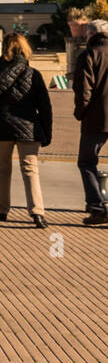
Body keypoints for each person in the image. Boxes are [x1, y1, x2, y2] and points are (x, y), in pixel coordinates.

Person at [0, 32, 52, 228]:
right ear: (25, 49)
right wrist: (46, 133)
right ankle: (37, 213)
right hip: (29, 128)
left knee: (2, 169)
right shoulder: (34, 74)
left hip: (1, 126)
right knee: (31, 170)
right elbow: (45, 107)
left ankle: (1, 210)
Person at [73, 18, 108, 226]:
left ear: (92, 34)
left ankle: (97, 208)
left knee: (87, 162)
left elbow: (83, 90)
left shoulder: (89, 55)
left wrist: (81, 112)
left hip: (96, 119)